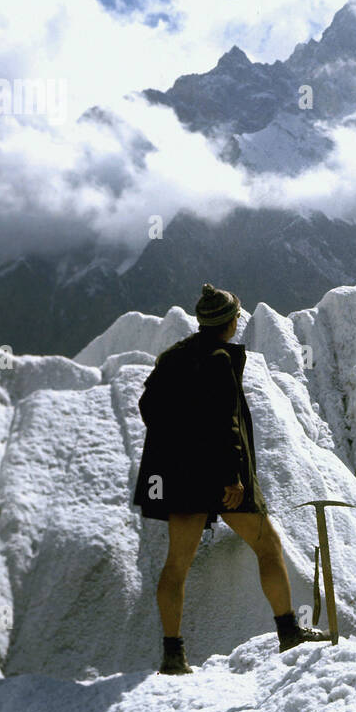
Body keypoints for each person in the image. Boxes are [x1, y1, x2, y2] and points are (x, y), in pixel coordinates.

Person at [132, 282, 329, 673]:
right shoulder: (220, 359)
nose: (240, 319)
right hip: (221, 480)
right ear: (228, 322)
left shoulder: (173, 357)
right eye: (237, 315)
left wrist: (179, 450)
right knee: (268, 546)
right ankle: (289, 632)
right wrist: (233, 480)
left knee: (176, 564)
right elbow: (227, 426)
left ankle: (174, 655)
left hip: (180, 478)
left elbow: (148, 406)